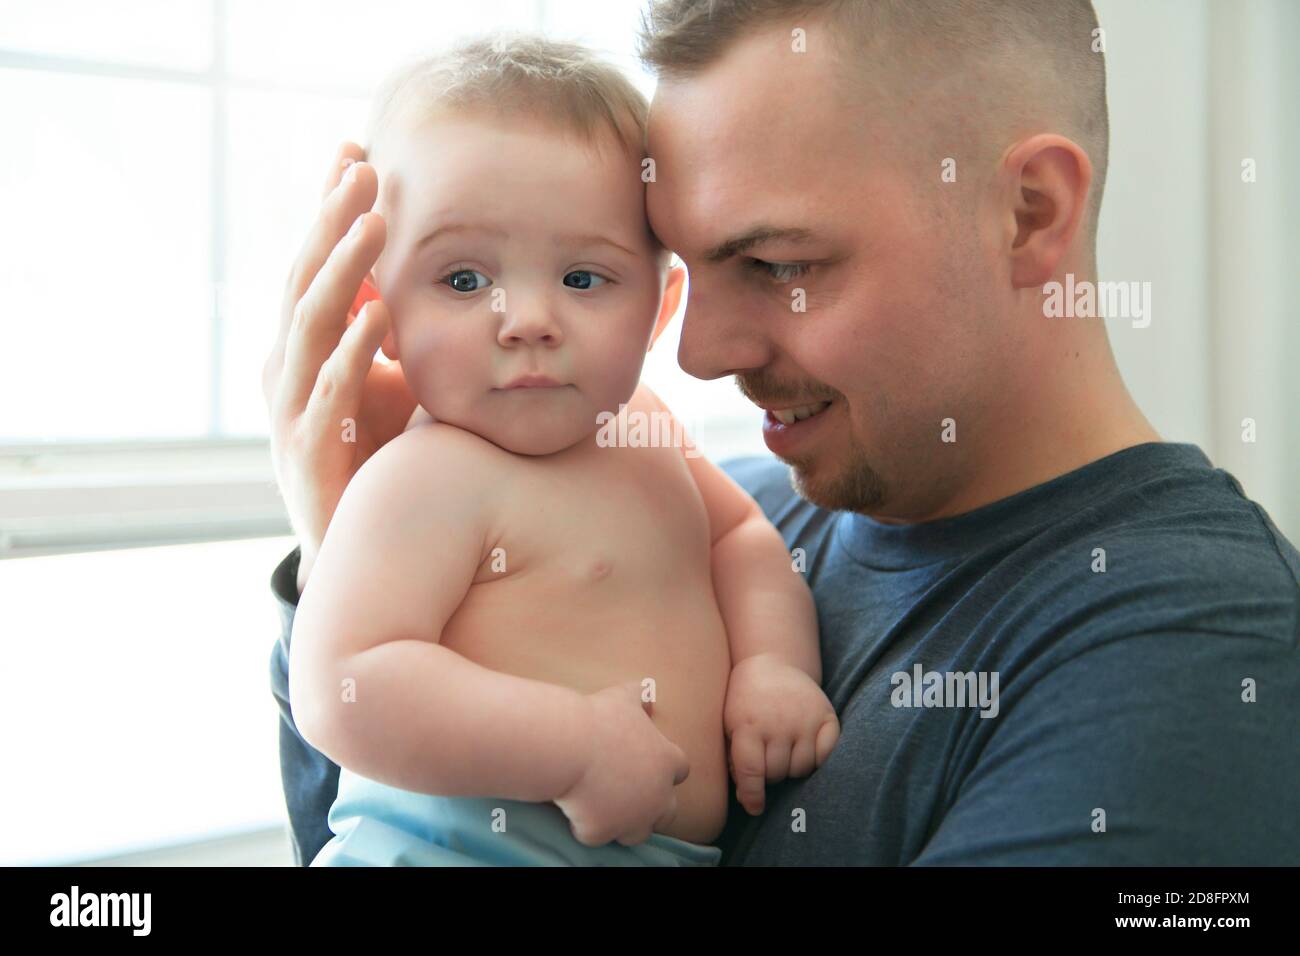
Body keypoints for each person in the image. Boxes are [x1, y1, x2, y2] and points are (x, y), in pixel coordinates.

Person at [264, 0, 1300, 865]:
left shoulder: (1181, 657)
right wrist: (334, 535)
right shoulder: (721, 500)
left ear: (1026, 211)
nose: (697, 353)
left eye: (777, 265)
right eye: (692, 266)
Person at [288, 34, 836, 867]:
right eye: (464, 280)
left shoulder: (646, 430)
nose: (528, 318)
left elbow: (742, 541)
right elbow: (342, 683)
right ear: (381, 306)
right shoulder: (423, 475)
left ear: (659, 308)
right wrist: (569, 746)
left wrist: (773, 667)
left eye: (584, 278)